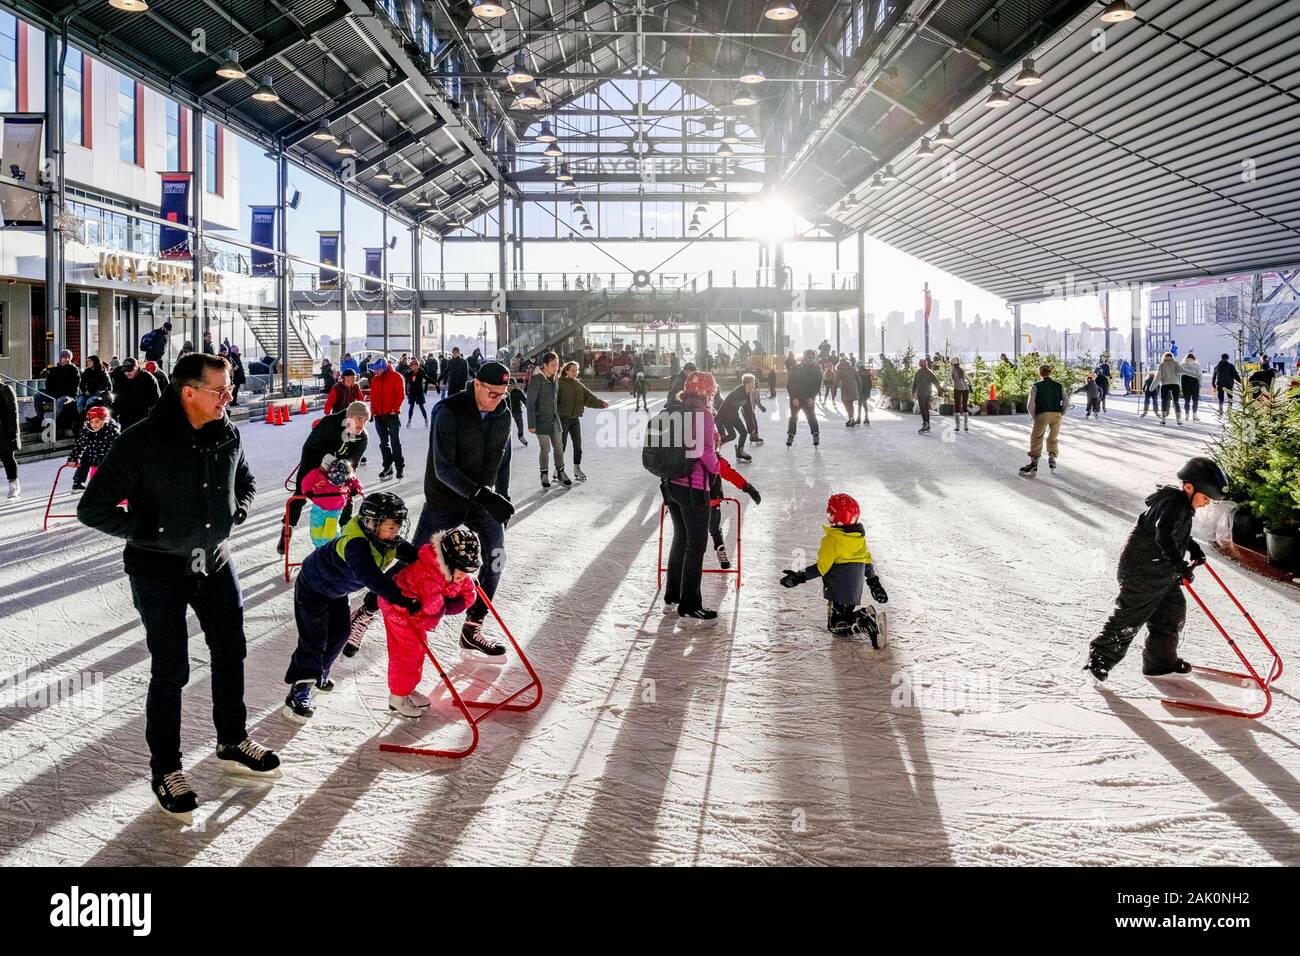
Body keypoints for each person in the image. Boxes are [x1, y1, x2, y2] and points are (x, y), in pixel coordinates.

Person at [77, 352, 277, 820]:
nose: (229, 397)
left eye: (229, 388)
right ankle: (166, 768)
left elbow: (244, 479)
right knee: (172, 669)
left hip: (216, 562)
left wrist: (238, 511)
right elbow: (93, 507)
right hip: (158, 571)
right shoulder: (141, 441)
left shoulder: (227, 432)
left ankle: (232, 739)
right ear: (189, 392)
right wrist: (153, 531)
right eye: (220, 390)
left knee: (231, 650)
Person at [282, 492, 422, 722]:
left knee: (341, 634)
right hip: (313, 587)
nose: (395, 532)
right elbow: (372, 578)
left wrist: (439, 562)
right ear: (371, 523)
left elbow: (415, 555)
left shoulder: (386, 540)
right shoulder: (356, 544)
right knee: (314, 639)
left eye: (397, 526)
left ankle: (320, 673)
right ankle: (300, 689)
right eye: (390, 527)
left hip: (336, 591)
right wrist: (402, 599)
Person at [1085, 457, 1227, 682]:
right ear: (1189, 488)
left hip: (1161, 572)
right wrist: (1179, 565)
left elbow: (1174, 533)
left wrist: (1192, 548)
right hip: (1143, 572)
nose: (1206, 504)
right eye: (1206, 497)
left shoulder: (1178, 503)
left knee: (1171, 614)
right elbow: (1164, 534)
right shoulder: (1174, 505)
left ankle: (1160, 663)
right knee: (1130, 617)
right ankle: (1099, 662)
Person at [415, 361, 515, 657]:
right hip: (445, 500)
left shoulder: (503, 414)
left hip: (483, 501)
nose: (497, 400)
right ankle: (369, 608)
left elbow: (503, 459)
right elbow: (443, 468)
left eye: (503, 394)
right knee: (414, 558)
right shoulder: (448, 411)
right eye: (492, 393)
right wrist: (484, 496)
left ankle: (473, 627)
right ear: (477, 385)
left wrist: (502, 497)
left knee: (496, 559)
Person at [379, 529, 481, 717]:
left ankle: (408, 689)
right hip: (400, 612)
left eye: (470, 571)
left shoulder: (454, 572)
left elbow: (467, 590)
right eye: (463, 570)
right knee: (406, 655)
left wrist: (461, 599)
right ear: (449, 561)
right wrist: (450, 605)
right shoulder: (428, 574)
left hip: (415, 617)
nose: (464, 575)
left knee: (418, 652)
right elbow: (431, 610)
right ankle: (397, 697)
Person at [779, 493, 889, 647]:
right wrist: (875, 585)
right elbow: (867, 563)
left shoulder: (832, 540)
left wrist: (798, 577)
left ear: (838, 518)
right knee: (845, 617)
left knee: (835, 626)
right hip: (854, 591)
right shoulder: (859, 538)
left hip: (839, 591)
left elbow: (821, 568)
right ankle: (865, 615)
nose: (828, 517)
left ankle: (865, 620)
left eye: (830, 514)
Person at [661, 370, 722, 622]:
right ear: (707, 392)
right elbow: (704, 452)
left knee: (681, 538)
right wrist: (716, 468)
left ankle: (672, 595)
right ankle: (690, 604)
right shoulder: (702, 414)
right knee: (696, 544)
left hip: (672, 484)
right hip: (693, 488)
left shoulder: (677, 410)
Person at [279, 401, 370, 556]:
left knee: (346, 496)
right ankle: (287, 527)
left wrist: (346, 474)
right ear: (349, 417)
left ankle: (345, 533)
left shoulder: (362, 437)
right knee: (300, 494)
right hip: (315, 463)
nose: (362, 424)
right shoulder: (330, 423)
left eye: (365, 420)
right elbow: (310, 448)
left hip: (339, 469)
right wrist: (317, 472)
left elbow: (354, 461)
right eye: (359, 419)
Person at [556, 360, 608, 481]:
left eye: (576, 370)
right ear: (566, 371)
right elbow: (553, 401)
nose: (575, 372)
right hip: (563, 419)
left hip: (575, 419)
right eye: (572, 370)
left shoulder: (578, 385)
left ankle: (577, 468)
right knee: (561, 446)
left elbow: (589, 398)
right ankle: (558, 469)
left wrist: (601, 403)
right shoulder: (559, 383)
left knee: (578, 446)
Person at [527, 351, 572, 489]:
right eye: (553, 365)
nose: (556, 367)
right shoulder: (537, 380)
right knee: (545, 448)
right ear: (545, 365)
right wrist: (531, 424)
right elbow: (530, 403)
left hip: (554, 419)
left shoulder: (554, 378)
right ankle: (544, 474)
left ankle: (560, 472)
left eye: (557, 365)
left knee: (559, 447)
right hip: (540, 420)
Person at [707, 455, 761, 569]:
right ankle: (685, 557)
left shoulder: (714, 458)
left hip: (711, 501)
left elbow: (728, 472)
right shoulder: (689, 454)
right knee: (689, 533)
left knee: (714, 528)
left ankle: (720, 550)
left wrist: (747, 487)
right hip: (690, 501)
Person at [301, 454, 364, 548]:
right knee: (316, 529)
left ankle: (333, 548)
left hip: (335, 508)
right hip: (319, 506)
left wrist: (356, 488)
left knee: (330, 531)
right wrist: (308, 491)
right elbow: (306, 482)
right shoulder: (317, 474)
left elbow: (354, 481)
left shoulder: (342, 471)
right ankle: (318, 547)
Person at [1019, 364, 1069, 475]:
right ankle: (1052, 457)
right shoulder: (1059, 385)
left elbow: (1030, 404)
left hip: (1043, 414)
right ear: (1050, 372)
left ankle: (1034, 462)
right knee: (1053, 437)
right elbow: (1066, 401)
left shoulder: (1036, 386)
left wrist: (1034, 416)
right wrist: (1061, 412)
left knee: (1036, 437)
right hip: (1057, 414)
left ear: (1039, 373)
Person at [367, 357, 406, 481]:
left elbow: (401, 395)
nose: (375, 372)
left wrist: (395, 409)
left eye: (377, 369)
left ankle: (399, 467)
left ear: (383, 366)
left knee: (395, 442)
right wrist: (373, 412)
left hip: (392, 415)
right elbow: (373, 397)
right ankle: (387, 467)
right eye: (374, 370)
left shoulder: (396, 377)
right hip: (379, 416)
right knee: (384, 444)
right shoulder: (375, 380)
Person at [67, 404, 121, 491]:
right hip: (91, 454)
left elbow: (119, 445)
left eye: (97, 422)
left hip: (105, 456)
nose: (94, 425)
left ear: (105, 421)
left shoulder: (111, 431)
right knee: (85, 458)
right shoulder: (88, 431)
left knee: (105, 467)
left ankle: (107, 484)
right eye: (91, 422)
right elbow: (79, 445)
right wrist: (73, 458)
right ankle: (78, 482)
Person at [715, 374, 761, 462]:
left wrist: (752, 428)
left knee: (743, 433)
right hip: (726, 417)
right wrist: (715, 420)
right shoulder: (736, 393)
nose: (754, 385)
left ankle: (740, 452)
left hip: (734, 416)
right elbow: (723, 406)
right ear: (747, 384)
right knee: (732, 435)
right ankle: (715, 444)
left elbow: (748, 413)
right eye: (753, 383)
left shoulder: (747, 395)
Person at [112, 358, 162, 431]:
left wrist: (154, 417)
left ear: (137, 368)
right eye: (125, 371)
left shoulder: (148, 378)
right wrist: (114, 414)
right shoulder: (120, 378)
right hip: (125, 416)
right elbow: (116, 396)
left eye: (130, 370)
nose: (127, 373)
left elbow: (156, 399)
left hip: (142, 416)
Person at [786, 350, 822, 447]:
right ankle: (790, 435)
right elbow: (790, 384)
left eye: (812, 357)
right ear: (804, 357)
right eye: (808, 357)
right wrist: (794, 398)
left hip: (808, 398)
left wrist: (812, 397)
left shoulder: (817, 369)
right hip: (796, 398)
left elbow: (818, 385)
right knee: (793, 417)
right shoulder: (795, 368)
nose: (810, 359)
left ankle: (815, 434)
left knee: (811, 417)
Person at [45, 349, 81, 433]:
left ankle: (49, 423)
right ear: (61, 358)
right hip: (55, 393)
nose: (66, 359)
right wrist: (51, 391)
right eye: (64, 357)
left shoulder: (74, 370)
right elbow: (48, 383)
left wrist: (60, 388)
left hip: (69, 395)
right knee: (38, 395)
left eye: (68, 357)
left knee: (60, 401)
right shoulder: (55, 369)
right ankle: (40, 418)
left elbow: (74, 385)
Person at [1, 377, 20, 499]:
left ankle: (14, 485)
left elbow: (13, 411)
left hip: (4, 431)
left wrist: (13, 432)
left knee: (7, 458)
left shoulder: (5, 389)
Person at [911, 358, 941, 434]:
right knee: (926, 408)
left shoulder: (918, 372)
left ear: (920, 364)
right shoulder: (930, 372)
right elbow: (936, 382)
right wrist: (939, 391)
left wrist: (913, 392)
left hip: (921, 393)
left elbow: (914, 384)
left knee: (923, 408)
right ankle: (927, 424)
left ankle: (926, 424)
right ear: (926, 364)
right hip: (928, 393)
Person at [1156, 350, 1183, 425]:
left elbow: (1158, 377)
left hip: (1165, 384)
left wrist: (1153, 385)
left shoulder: (1161, 365)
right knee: (1176, 402)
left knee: (1164, 401)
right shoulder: (1175, 363)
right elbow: (1181, 371)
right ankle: (1179, 420)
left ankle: (1163, 420)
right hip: (1175, 384)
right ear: (1172, 357)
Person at [836, 356, 860, 426]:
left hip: (845, 388)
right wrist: (859, 388)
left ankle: (850, 417)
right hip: (853, 388)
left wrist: (834, 390)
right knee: (850, 403)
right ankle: (851, 418)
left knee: (846, 403)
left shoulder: (840, 370)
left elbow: (836, 381)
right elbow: (858, 379)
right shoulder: (853, 369)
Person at [405, 358, 430, 427]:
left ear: (418, 366)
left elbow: (426, 378)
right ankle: (409, 420)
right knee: (411, 407)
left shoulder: (421, 371)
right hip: (412, 392)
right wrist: (406, 392)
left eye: (415, 365)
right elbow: (406, 382)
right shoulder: (409, 373)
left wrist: (435, 382)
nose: (414, 367)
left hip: (419, 392)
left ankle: (426, 419)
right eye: (412, 366)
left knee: (421, 406)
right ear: (411, 366)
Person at [1180, 353, 1202, 421]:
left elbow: (1178, 374)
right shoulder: (1197, 365)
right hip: (1194, 382)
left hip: (1185, 382)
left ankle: (1187, 416)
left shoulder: (1182, 364)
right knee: (1195, 400)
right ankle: (1194, 416)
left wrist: (1179, 384)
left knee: (1187, 400)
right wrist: (1200, 384)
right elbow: (1200, 375)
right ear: (1194, 358)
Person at [507, 378, 528, 445]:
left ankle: (521, 436)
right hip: (507, 411)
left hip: (517, 411)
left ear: (515, 386)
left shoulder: (518, 392)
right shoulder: (504, 392)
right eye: (508, 386)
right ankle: (505, 437)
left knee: (520, 424)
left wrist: (530, 409)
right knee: (506, 425)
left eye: (512, 386)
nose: (510, 387)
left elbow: (525, 400)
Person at [950, 359, 970, 432]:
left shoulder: (951, 369)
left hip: (957, 389)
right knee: (965, 406)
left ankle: (957, 426)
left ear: (952, 364)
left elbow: (947, 379)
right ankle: (966, 425)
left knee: (957, 406)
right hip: (966, 389)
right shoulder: (962, 369)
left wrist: (943, 388)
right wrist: (970, 385)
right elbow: (969, 378)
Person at [857, 360, 874, 426]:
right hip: (866, 391)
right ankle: (866, 418)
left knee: (859, 404)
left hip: (860, 391)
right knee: (865, 404)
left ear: (860, 366)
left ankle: (858, 418)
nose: (857, 368)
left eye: (858, 366)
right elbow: (870, 384)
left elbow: (857, 383)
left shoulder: (858, 373)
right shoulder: (868, 373)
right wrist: (869, 391)